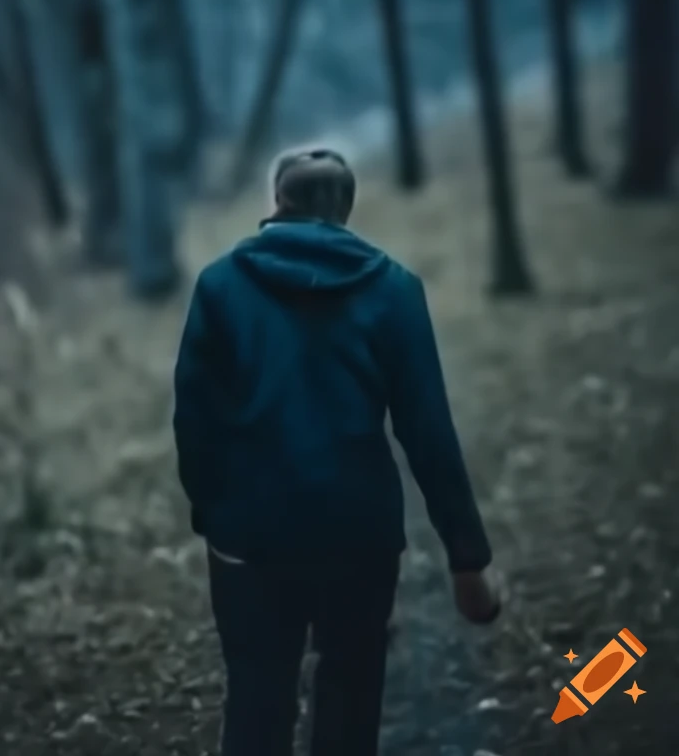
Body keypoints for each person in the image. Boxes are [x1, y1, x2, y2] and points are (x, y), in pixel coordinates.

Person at [171, 148, 500, 756]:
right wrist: (467, 557)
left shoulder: (220, 286)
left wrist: (214, 520)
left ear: (277, 205)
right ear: (346, 211)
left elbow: (194, 420)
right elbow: (427, 429)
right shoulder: (393, 289)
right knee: (351, 692)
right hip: (357, 532)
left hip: (251, 533)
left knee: (257, 695)